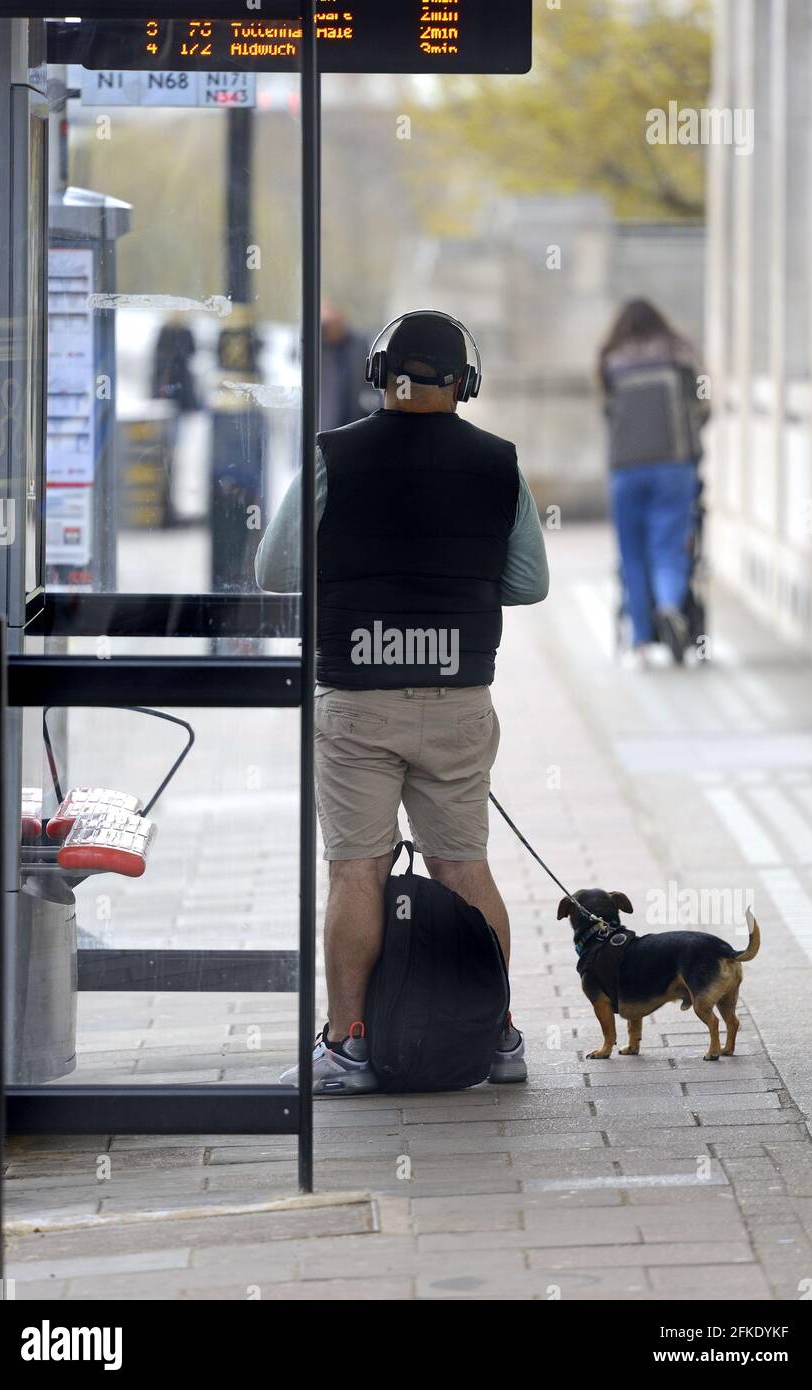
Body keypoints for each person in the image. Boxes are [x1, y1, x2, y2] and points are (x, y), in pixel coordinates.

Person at [256, 309, 549, 1094]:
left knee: (357, 872)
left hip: (357, 697)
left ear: (380, 375)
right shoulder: (498, 464)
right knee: (463, 868)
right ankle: (496, 1039)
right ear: (466, 382)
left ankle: (348, 1049)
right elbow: (528, 584)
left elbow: (275, 567)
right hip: (458, 696)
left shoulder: (333, 455)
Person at [598, 298, 710, 666]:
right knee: (669, 545)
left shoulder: (610, 358)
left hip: (625, 470)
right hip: (673, 466)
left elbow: (606, 410)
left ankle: (642, 641)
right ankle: (669, 606)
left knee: (631, 553)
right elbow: (704, 406)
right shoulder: (679, 353)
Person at [320, 301, 376, 430]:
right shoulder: (318, 348)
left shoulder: (359, 344)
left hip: (354, 416)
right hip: (326, 422)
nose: (330, 328)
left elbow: (370, 380)